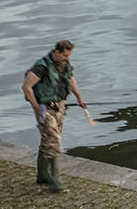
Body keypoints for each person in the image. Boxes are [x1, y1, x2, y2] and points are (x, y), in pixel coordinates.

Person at [22, 39, 87, 193]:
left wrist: (79, 98)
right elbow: (26, 87)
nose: (67, 58)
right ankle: (55, 178)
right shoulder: (42, 66)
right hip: (44, 108)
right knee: (54, 141)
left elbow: (71, 79)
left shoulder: (64, 64)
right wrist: (36, 108)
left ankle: (42, 174)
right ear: (56, 52)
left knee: (48, 139)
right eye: (64, 55)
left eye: (68, 55)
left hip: (59, 107)